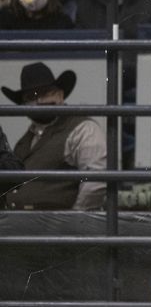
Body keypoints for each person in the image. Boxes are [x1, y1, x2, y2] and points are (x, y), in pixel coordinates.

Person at [0, 62, 107, 210]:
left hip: (58, 228)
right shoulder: (26, 139)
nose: (38, 101)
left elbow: (96, 182)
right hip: (19, 225)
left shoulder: (82, 129)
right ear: (24, 103)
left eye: (45, 93)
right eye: (30, 96)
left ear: (60, 95)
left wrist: (76, 220)